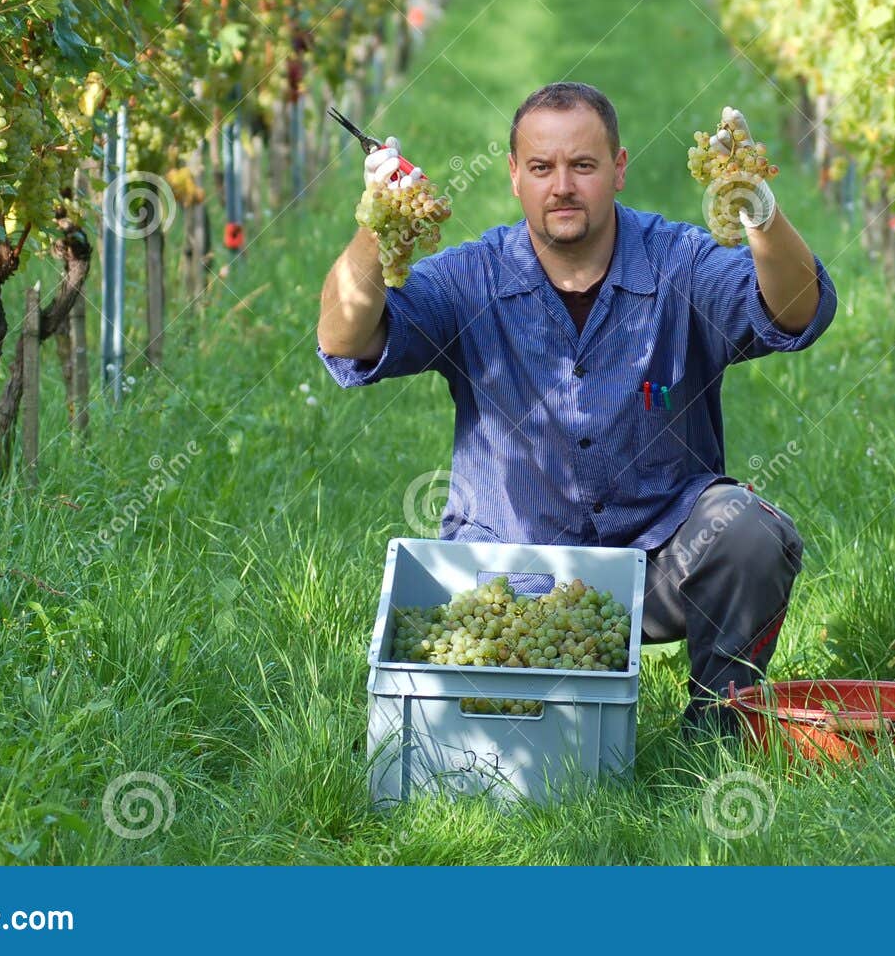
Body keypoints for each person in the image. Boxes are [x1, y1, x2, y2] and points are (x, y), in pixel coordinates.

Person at [316, 81, 837, 736]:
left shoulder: (676, 262)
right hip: (512, 582)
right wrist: (376, 225)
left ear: (617, 170)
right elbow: (344, 338)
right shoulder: (473, 278)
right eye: (542, 168)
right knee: (516, 746)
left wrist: (758, 211)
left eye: (582, 166)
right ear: (514, 177)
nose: (561, 186)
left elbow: (798, 309)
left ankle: (718, 731)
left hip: (658, 569)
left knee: (747, 530)